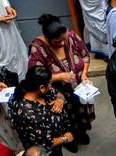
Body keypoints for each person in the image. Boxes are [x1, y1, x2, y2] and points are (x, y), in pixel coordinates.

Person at [28, 13, 94, 143]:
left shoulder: (70, 36)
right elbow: (34, 76)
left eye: (64, 39)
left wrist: (84, 73)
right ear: (48, 38)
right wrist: (58, 77)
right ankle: (68, 139)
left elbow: (85, 56)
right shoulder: (38, 49)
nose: (63, 43)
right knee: (65, 116)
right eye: (58, 42)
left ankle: (81, 132)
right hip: (57, 93)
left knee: (81, 113)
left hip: (79, 88)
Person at [8, 63, 78, 156]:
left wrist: (60, 100)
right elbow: (45, 143)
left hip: (57, 139)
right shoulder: (30, 115)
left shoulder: (34, 88)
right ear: (41, 87)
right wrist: (65, 138)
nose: (51, 86)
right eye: (49, 83)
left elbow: (57, 92)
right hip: (47, 151)